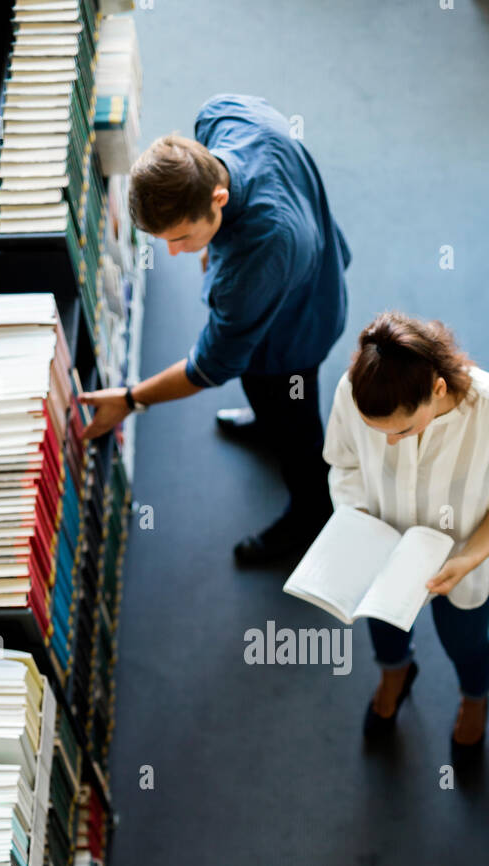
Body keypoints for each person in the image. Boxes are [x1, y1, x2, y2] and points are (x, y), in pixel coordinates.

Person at [79, 94, 351, 565]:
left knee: (297, 428)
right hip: (313, 262)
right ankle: (270, 425)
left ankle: (311, 518)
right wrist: (207, 241)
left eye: (181, 237)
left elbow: (209, 366)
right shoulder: (224, 114)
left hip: (293, 339)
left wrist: (128, 400)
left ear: (218, 198)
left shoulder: (252, 266)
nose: (176, 253)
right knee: (273, 409)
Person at [322, 311, 489, 748]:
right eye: (379, 432)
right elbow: (344, 461)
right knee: (385, 630)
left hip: (462, 563)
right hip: (383, 552)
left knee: (468, 643)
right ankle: (396, 674)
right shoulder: (354, 392)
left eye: (403, 430)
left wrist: (469, 558)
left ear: (438, 389)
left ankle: (475, 697)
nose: (389, 442)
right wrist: (357, 522)